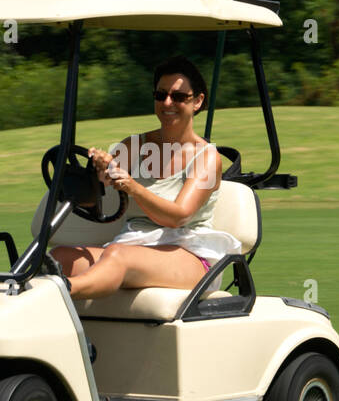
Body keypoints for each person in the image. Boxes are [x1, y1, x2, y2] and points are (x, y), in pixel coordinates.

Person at [50, 55, 241, 299]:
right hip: (134, 245)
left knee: (118, 255)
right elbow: (92, 202)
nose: (167, 102)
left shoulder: (207, 158)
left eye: (179, 96)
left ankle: (57, 296)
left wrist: (132, 186)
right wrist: (97, 172)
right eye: (161, 95)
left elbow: (178, 217)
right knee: (60, 257)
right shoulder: (133, 146)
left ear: (198, 101)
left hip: (187, 253)